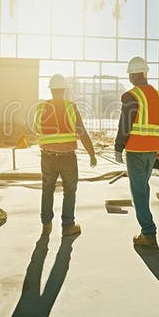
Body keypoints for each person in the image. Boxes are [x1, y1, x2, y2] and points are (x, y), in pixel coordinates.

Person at [115, 56, 159, 248]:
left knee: (138, 190)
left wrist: (118, 147)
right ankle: (147, 227)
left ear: (131, 76)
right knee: (143, 187)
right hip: (152, 151)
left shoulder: (131, 96)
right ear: (145, 73)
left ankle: (148, 232)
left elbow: (125, 124)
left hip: (136, 151)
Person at [33, 73, 97, 237]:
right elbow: (82, 132)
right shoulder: (71, 107)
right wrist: (92, 154)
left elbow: (35, 128)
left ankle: (46, 225)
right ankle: (68, 225)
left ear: (51, 90)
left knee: (47, 190)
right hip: (68, 157)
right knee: (69, 191)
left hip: (47, 156)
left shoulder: (41, 107)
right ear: (64, 90)